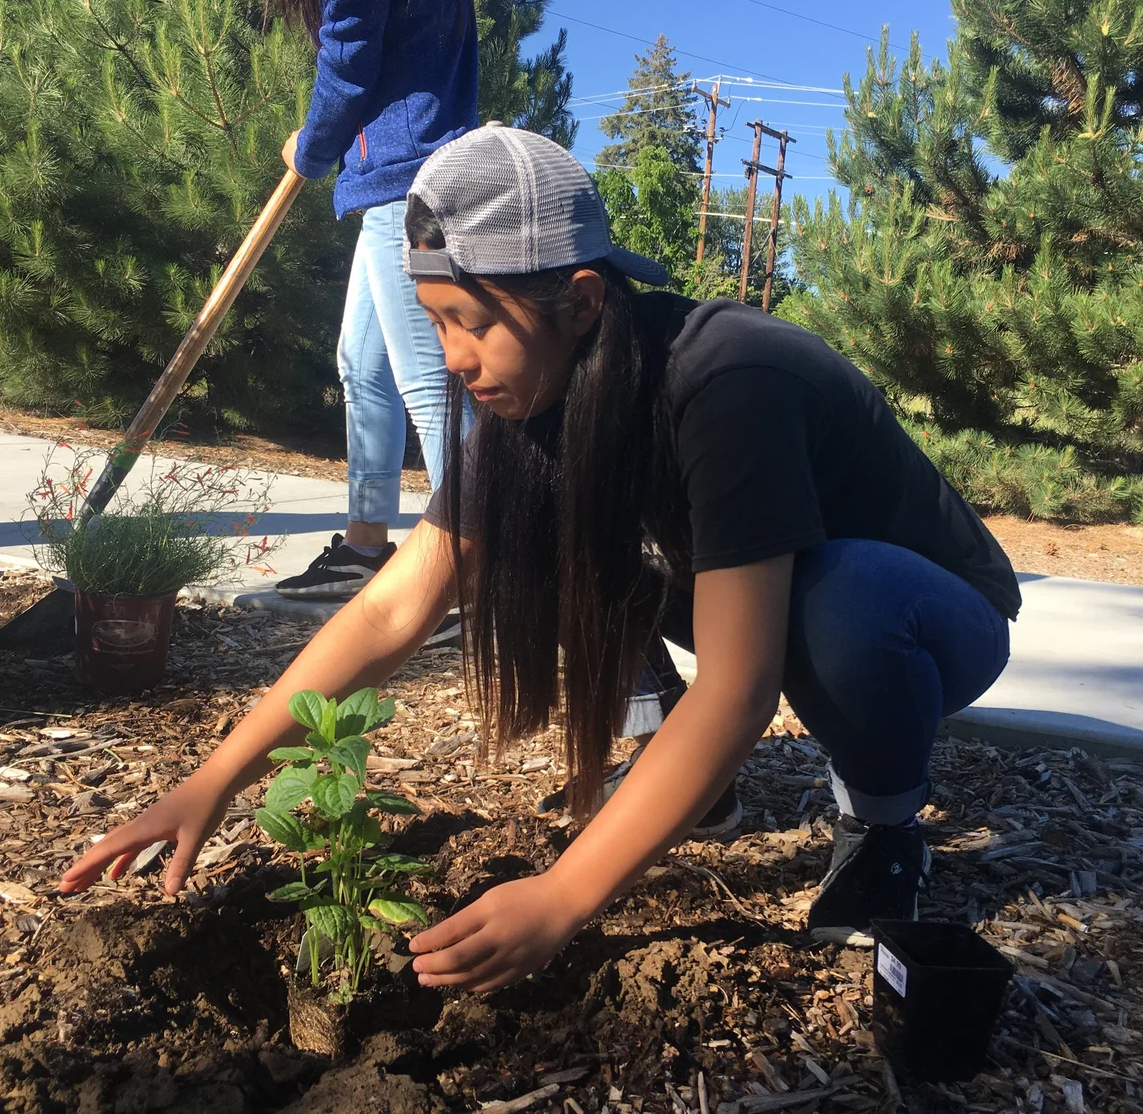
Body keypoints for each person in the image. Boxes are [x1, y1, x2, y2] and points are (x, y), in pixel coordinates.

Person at [60, 126, 1020, 991]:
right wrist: (213, 778)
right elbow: (396, 607)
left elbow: (741, 685)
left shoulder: (730, 379)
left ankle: (886, 822)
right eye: (435, 323)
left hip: (925, 617)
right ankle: (693, 781)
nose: (452, 359)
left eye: (470, 322)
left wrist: (563, 895)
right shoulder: (538, 404)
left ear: (582, 300)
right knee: (551, 535)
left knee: (836, 603)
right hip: (767, 584)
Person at [269, 0, 477, 603]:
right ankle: (365, 547)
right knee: (362, 366)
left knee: (432, 386)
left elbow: (349, 63)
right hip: (391, 183)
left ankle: (478, 574)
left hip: (404, 183)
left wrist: (309, 149)